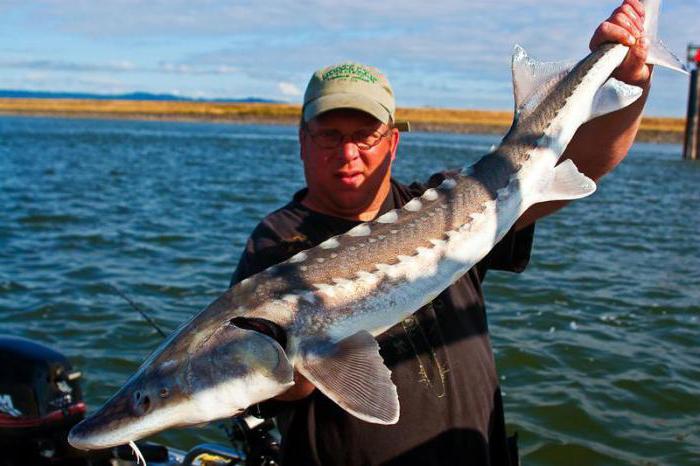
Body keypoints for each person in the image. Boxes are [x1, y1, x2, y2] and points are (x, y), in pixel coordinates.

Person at [230, 1, 652, 464]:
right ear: (303, 140)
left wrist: (632, 77)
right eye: (329, 135)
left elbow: (586, 161)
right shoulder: (275, 244)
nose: (348, 153)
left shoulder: (454, 198)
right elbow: (270, 386)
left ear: (392, 142)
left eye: (365, 135)